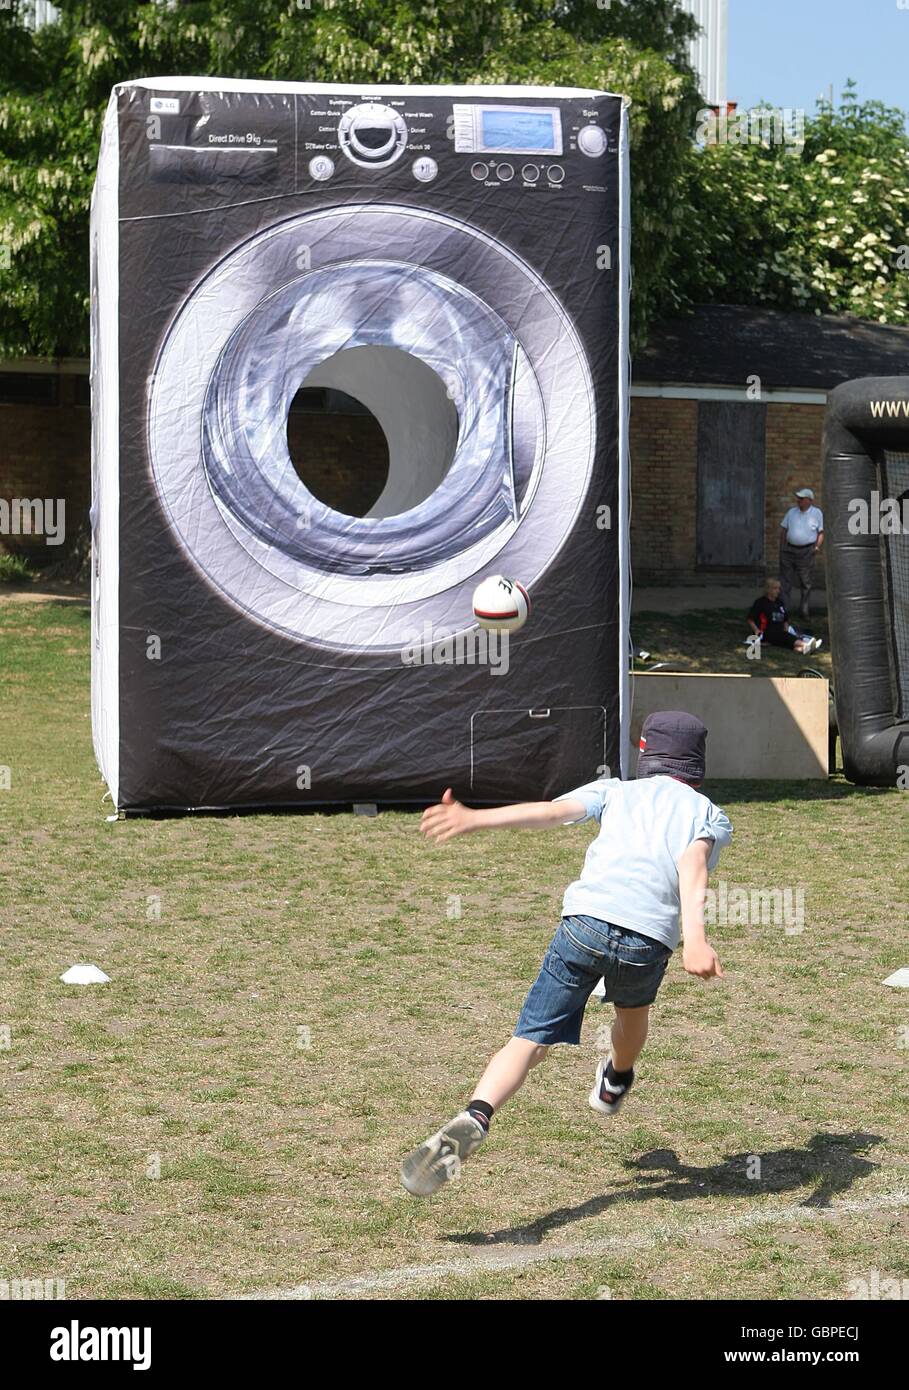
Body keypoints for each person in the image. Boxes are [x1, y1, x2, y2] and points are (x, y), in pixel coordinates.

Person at [400, 711, 733, 1198]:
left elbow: (550, 812)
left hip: (584, 926)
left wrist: (474, 819)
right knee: (632, 1012)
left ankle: (477, 1113)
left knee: (529, 1040)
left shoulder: (616, 791)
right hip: (646, 941)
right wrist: (696, 938)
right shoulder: (708, 813)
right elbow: (693, 863)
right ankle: (616, 1078)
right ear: (698, 765)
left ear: (645, 753)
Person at [779, 488, 824, 619]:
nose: (798, 500)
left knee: (806, 582)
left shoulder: (816, 513)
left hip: (806, 551)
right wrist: (782, 547)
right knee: (785, 581)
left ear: (809, 500)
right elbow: (783, 529)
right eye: (798, 498)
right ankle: (784, 610)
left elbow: (821, 533)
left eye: (801, 498)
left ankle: (804, 611)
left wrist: (816, 547)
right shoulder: (791, 512)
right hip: (788, 550)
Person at [747, 577, 821, 655]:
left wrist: (786, 628)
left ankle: (803, 649)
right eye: (775, 589)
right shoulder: (760, 603)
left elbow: (785, 619)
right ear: (768, 590)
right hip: (766, 633)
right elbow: (750, 619)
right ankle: (805, 645)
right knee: (786, 637)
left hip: (779, 632)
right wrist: (756, 630)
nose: (778, 591)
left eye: (779, 588)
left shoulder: (779, 602)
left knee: (788, 641)